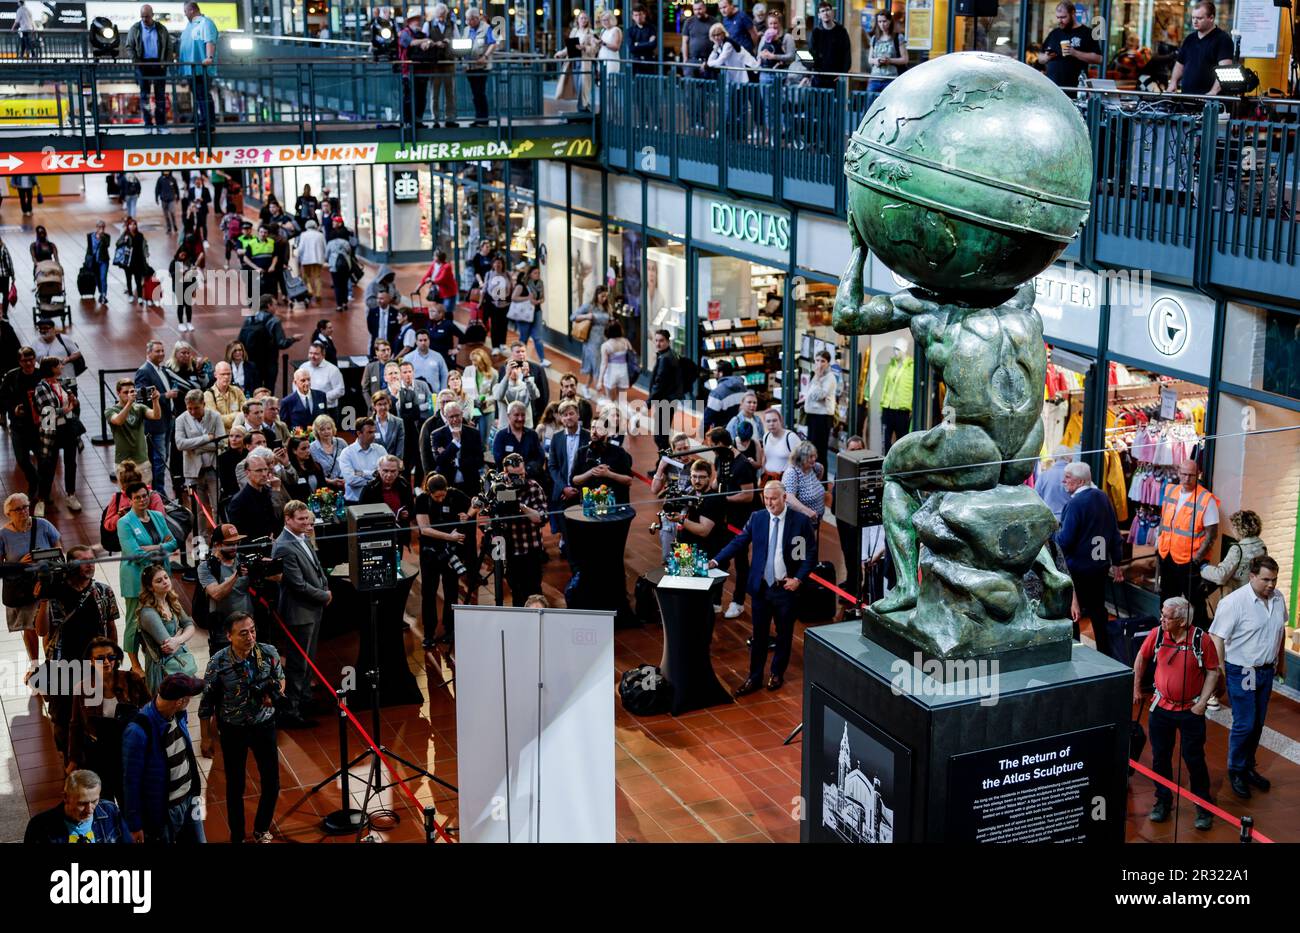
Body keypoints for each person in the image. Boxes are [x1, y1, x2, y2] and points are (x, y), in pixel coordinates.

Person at [710, 480, 812, 694]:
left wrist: (798, 579)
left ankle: (777, 673)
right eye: (766, 498)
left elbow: (807, 554)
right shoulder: (757, 518)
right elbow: (739, 542)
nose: (769, 503)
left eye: (773, 498)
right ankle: (754, 677)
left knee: (784, 634)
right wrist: (716, 561)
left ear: (784, 498)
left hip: (785, 589)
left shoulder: (799, 522)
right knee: (759, 636)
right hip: (761, 589)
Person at [1132, 596, 1219, 831]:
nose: (1162, 619)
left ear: (1182, 621)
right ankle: (1163, 801)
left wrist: (1202, 703)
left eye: (1167, 616)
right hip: (1161, 709)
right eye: (1162, 614)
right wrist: (1136, 687)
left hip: (1190, 711)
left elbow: (1213, 671)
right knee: (1161, 757)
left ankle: (1203, 806)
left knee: (1194, 759)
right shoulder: (1158, 634)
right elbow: (1142, 657)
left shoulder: (1202, 640)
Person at [199, 611, 283, 843]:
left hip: (264, 724)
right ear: (229, 636)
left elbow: (280, 678)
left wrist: (274, 693)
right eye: (243, 633)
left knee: (272, 782)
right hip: (233, 729)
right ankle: (237, 835)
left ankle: (261, 828)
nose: (250, 637)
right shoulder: (218, 662)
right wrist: (206, 737)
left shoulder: (268, 653)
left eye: (253, 630)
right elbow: (206, 703)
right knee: (235, 786)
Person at [1209, 555, 1287, 801]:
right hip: (1243, 671)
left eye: (1274, 579)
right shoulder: (1234, 602)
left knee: (1258, 722)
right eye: (1266, 579)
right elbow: (1217, 637)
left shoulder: (1278, 598)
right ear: (1252, 576)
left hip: (1266, 671)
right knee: (1245, 723)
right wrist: (1220, 673)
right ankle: (1236, 770)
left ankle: (1248, 766)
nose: (1271, 585)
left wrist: (1281, 662)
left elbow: (1280, 630)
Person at [121, 672, 206, 842]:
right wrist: (135, 824)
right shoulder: (138, 731)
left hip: (190, 799)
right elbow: (131, 781)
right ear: (180, 702)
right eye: (189, 698)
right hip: (165, 811)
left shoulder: (178, 714)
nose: (190, 702)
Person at [66, 640, 150, 806]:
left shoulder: (132, 679)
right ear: (91, 660)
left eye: (111, 657)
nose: (106, 662)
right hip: (99, 753)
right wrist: (73, 761)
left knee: (130, 800)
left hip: (128, 748)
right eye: (100, 658)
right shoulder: (82, 689)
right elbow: (75, 725)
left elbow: (149, 711)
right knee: (104, 803)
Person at [272, 500, 333, 728]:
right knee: (298, 664)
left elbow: (316, 567)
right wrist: (324, 595)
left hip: (312, 609)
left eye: (308, 518)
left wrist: (324, 587)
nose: (307, 523)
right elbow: (297, 584)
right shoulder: (284, 545)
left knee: (309, 660)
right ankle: (292, 711)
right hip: (299, 612)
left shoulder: (303, 537)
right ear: (288, 520)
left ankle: (306, 701)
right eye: (301, 519)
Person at [1055, 461, 1125, 656]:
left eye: (1067, 477)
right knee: (1097, 611)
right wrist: (1117, 561)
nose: (1063, 481)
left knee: (1074, 612)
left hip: (1078, 569)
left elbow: (1065, 541)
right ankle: (1105, 653)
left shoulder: (1075, 504)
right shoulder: (1102, 497)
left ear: (1080, 481)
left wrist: (1052, 536)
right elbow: (1114, 533)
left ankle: (1076, 654)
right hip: (1099, 567)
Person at [1, 492, 60, 681]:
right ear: (8, 513)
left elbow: (58, 549)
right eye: (18, 509)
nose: (23, 511)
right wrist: (21, 564)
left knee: (47, 627)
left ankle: (49, 665)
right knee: (29, 628)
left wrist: (43, 556)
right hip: (21, 589)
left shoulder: (42, 525)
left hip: (44, 583)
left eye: (26, 507)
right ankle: (35, 665)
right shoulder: (3, 535)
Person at [415, 473, 478, 649]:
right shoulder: (422, 499)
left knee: (451, 590)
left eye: (443, 495)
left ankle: (450, 629)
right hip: (430, 553)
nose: (441, 499)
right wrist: (449, 537)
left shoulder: (455, 495)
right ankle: (428, 633)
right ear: (429, 492)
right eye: (437, 497)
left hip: (450, 553)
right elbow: (425, 529)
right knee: (428, 592)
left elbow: (476, 502)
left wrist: (468, 514)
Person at [1156, 458, 1219, 629]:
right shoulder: (1171, 491)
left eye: (1191, 475)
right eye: (1184, 474)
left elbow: (1211, 534)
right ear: (1178, 473)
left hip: (1188, 561)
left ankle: (1199, 639)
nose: (1187, 478)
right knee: (1167, 599)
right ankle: (1167, 632)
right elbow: (1164, 520)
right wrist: (1159, 543)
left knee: (1195, 603)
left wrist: (1197, 559)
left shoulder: (1206, 499)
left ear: (1197, 475)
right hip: (1167, 555)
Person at [484, 452, 548, 606]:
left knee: (534, 594)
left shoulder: (534, 488)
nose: (520, 478)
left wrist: (519, 505)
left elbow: (541, 518)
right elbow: (490, 512)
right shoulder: (500, 488)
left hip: (531, 550)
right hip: (511, 551)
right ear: (505, 473)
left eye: (522, 473)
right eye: (515, 476)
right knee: (517, 595)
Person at [32, 357, 83, 515]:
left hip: (68, 428)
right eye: (59, 364)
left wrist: (73, 403)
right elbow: (47, 411)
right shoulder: (41, 387)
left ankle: (71, 495)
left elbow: (69, 403)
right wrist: (65, 410)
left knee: (71, 463)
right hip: (51, 429)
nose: (62, 366)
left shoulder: (62, 383)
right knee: (48, 465)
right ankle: (42, 499)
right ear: (52, 368)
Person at [137, 562, 197, 694]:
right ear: (150, 587)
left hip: (177, 662)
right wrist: (182, 633)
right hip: (162, 668)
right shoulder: (148, 613)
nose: (165, 581)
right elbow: (169, 646)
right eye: (159, 581)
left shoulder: (170, 601)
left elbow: (190, 625)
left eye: (166, 577)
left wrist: (178, 638)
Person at [25, 770, 132, 844]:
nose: (89, 810)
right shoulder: (40, 827)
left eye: (94, 801)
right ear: (66, 797)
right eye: (82, 803)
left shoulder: (111, 811)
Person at [197, 523, 253, 656]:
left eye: (237, 543)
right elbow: (216, 594)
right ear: (217, 544)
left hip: (248, 630)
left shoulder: (243, 559)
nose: (234, 547)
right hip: (224, 635)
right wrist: (236, 575)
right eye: (229, 544)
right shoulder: (207, 567)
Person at [133, 339, 179, 497]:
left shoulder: (162, 369)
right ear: (148, 353)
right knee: (159, 459)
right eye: (157, 351)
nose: (161, 353)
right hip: (155, 423)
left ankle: (158, 491)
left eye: (162, 350)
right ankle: (159, 493)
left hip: (167, 420)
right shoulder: (144, 371)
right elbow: (140, 397)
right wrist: (166, 395)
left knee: (163, 457)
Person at [175, 389, 223, 519]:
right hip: (192, 471)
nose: (192, 412)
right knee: (198, 510)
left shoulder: (215, 416)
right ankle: (200, 537)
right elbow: (180, 444)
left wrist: (195, 447)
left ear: (204, 403)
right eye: (189, 408)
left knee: (217, 506)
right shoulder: (181, 420)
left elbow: (221, 443)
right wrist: (206, 438)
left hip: (213, 468)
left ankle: (219, 536)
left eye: (196, 408)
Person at [421, 400, 484, 499]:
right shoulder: (437, 434)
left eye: (457, 415)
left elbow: (479, 461)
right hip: (446, 484)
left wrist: (456, 461)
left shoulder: (473, 433)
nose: (455, 419)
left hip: (470, 484)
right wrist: (455, 443)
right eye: (451, 417)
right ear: (446, 417)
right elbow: (439, 461)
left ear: (462, 414)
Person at [1169, 1, 1234, 96]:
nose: (1194, 21)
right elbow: (1180, 64)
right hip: (1186, 98)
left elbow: (1225, 70)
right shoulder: (1189, 39)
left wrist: (1213, 92)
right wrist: (1173, 82)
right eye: (1193, 17)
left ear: (1211, 18)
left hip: (1209, 100)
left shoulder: (1223, 39)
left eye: (1199, 18)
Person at [107, 377, 162, 487]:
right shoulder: (110, 410)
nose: (128, 395)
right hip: (123, 462)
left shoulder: (139, 408)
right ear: (118, 393)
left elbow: (156, 416)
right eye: (125, 392)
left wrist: (155, 401)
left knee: (146, 493)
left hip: (142, 460)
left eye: (131, 392)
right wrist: (129, 403)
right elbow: (118, 420)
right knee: (126, 495)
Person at [570, 412, 633, 504]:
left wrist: (608, 474)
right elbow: (574, 480)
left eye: (599, 428)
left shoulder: (619, 452)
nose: (594, 432)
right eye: (592, 428)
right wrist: (591, 473)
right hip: (590, 507)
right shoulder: (581, 452)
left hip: (614, 507)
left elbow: (628, 480)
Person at [1, 347, 40, 494]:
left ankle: (42, 490)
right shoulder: (11, 377)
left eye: (31, 360)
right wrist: (13, 409)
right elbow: (2, 398)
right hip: (20, 426)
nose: (29, 363)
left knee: (43, 460)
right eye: (25, 360)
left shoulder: (41, 375)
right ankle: (34, 479)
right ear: (19, 361)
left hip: (39, 426)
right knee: (22, 460)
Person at [1201, 509, 1267, 593]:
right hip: (1254, 594)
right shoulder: (1261, 546)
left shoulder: (1238, 549)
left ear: (1240, 529)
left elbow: (1221, 576)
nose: (1232, 530)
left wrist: (1203, 568)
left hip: (1236, 596)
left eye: (1233, 527)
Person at [128, 6, 172, 129]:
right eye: (142, 16)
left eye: (147, 16)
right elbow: (129, 47)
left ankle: (161, 124)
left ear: (152, 15)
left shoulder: (161, 29)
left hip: (159, 64)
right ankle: (148, 124)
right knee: (144, 96)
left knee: (160, 96)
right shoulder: (135, 29)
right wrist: (136, 62)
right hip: (142, 65)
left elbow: (169, 47)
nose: (144, 19)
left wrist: (166, 63)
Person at [1039, 1, 1101, 87]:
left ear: (1073, 13)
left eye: (1063, 17)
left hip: (1075, 87)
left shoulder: (1087, 33)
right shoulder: (1054, 33)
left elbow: (1098, 59)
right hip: (1053, 87)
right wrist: (1047, 57)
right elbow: (1040, 58)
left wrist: (1075, 53)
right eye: (1058, 17)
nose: (1060, 21)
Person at [227, 455, 288, 541]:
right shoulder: (238, 501)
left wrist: (276, 490)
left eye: (265, 469)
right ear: (247, 473)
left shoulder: (271, 491)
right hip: (256, 548)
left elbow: (280, 517)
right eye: (259, 470)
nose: (264, 474)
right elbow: (240, 535)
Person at [178, 1, 218, 130]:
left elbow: (209, 41)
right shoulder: (189, 26)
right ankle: (203, 122)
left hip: (202, 68)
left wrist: (209, 57)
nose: (184, 14)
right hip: (190, 69)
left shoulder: (205, 23)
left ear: (191, 10)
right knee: (198, 96)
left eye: (185, 11)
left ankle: (209, 123)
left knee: (203, 95)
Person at [647, 329, 684, 452]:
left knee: (660, 438)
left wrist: (648, 402)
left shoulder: (665, 358)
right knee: (662, 436)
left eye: (661, 341)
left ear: (668, 341)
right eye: (656, 340)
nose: (658, 344)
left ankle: (665, 465)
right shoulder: (670, 355)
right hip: (668, 400)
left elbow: (659, 383)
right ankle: (662, 465)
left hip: (665, 402)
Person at [800, 350, 837, 469]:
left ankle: (823, 481)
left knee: (819, 451)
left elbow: (819, 395)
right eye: (817, 360)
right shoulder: (816, 376)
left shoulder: (829, 378)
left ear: (828, 363)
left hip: (822, 418)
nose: (819, 364)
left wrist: (817, 378)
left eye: (823, 361)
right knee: (811, 450)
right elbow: (811, 393)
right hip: (813, 416)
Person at [339, 417, 388, 503]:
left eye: (374, 432)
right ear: (359, 433)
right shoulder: (347, 453)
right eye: (369, 432)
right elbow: (351, 479)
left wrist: (361, 473)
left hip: (377, 500)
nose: (373, 435)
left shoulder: (380, 450)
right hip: (354, 501)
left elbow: (386, 474)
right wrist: (374, 476)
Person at [493, 401, 545, 480]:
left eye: (523, 415)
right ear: (508, 416)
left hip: (530, 478)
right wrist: (514, 470)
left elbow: (540, 457)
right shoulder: (501, 436)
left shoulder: (532, 434)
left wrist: (526, 469)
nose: (520, 418)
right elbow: (498, 459)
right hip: (507, 480)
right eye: (516, 415)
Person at [462, 7, 496, 126]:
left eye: (470, 20)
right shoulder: (466, 29)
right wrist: (464, 63)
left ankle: (483, 119)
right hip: (470, 66)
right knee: (475, 94)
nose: (468, 22)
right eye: (466, 20)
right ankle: (479, 118)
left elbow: (493, 44)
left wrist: (485, 57)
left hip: (482, 66)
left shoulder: (487, 28)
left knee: (479, 93)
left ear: (476, 18)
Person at [426, 3, 459, 126]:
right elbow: (425, 40)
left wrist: (449, 42)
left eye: (443, 15)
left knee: (450, 93)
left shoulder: (452, 24)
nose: (441, 18)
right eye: (439, 15)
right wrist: (435, 43)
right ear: (436, 14)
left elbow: (457, 39)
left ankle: (449, 118)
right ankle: (435, 119)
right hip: (435, 64)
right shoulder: (428, 25)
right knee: (434, 93)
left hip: (449, 62)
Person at [781, 440, 826, 528]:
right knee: (800, 542)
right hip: (799, 523)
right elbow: (788, 498)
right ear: (800, 458)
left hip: (813, 522)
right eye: (810, 457)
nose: (814, 459)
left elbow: (821, 468)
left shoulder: (812, 467)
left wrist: (815, 485)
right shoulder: (792, 472)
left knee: (811, 541)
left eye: (814, 455)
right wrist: (808, 512)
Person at [866, 10, 908, 102]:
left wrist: (889, 61)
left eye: (884, 21)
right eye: (879, 22)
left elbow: (905, 59)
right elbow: (870, 59)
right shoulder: (874, 38)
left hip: (891, 78)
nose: (882, 24)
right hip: (875, 79)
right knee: (870, 106)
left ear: (890, 21)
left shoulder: (898, 37)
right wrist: (876, 61)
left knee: (889, 106)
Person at [808, 1, 850, 87]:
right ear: (819, 15)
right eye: (822, 11)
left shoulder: (841, 31)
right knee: (817, 100)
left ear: (832, 12)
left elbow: (846, 54)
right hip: (819, 76)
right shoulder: (816, 32)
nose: (825, 13)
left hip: (836, 77)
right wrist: (812, 71)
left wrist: (843, 73)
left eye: (827, 10)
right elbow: (811, 53)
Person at [704, 359, 747, 432]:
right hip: (741, 428)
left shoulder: (717, 393)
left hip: (722, 431)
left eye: (715, 370)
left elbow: (708, 417)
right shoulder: (743, 387)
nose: (713, 372)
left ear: (720, 373)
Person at [1035, 446, 1075, 521]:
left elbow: (1036, 498)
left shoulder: (1044, 475)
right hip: (1070, 519)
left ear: (1054, 458)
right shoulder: (1075, 476)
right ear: (1070, 459)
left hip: (1049, 519)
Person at [117, 216, 151, 303]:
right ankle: (130, 295)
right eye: (131, 224)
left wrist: (146, 254)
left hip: (138, 260)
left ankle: (140, 297)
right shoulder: (125, 235)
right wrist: (124, 241)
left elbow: (144, 245)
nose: (132, 226)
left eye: (134, 224)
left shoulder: (140, 235)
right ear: (128, 226)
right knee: (128, 279)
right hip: (128, 261)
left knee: (138, 280)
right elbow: (117, 243)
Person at [203, 361, 246, 431]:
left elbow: (246, 413)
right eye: (223, 374)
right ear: (215, 375)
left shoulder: (237, 391)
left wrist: (224, 418)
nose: (226, 377)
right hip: (219, 436)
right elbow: (215, 420)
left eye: (229, 374)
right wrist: (238, 415)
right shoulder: (208, 395)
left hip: (238, 434)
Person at [482, 254, 512, 353]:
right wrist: (480, 302)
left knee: (504, 324)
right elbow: (484, 289)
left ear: (503, 264)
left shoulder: (507, 274)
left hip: (506, 304)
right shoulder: (489, 274)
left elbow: (512, 287)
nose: (498, 265)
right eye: (496, 263)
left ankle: (502, 343)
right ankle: (495, 346)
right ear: (493, 264)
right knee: (495, 325)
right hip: (493, 304)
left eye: (500, 263)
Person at [761, 407, 797, 481]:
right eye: (768, 421)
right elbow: (765, 458)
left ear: (780, 421)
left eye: (774, 420)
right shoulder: (766, 436)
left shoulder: (790, 437)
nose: (771, 424)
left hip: (785, 480)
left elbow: (801, 461)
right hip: (768, 478)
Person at [296, 219, 327, 305]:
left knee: (307, 276)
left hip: (306, 259)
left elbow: (301, 248)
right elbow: (325, 247)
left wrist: (298, 257)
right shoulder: (320, 235)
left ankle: (309, 290)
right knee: (318, 276)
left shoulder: (303, 235)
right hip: (318, 259)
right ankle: (318, 294)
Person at [598, 320, 633, 397]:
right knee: (622, 400)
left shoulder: (605, 346)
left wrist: (600, 381)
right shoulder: (625, 341)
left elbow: (604, 364)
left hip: (611, 372)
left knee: (610, 399)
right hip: (623, 371)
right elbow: (632, 354)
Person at [409, 330, 450, 394]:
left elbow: (445, 375)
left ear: (429, 341)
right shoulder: (408, 358)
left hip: (435, 395)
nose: (423, 343)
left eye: (425, 340)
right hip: (414, 396)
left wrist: (443, 392)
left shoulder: (438, 356)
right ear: (416, 342)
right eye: (420, 340)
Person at [325, 225, 354, 312]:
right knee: (344, 284)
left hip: (334, 266)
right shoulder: (346, 242)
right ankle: (345, 302)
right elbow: (349, 252)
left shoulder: (330, 243)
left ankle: (339, 305)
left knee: (337, 285)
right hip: (345, 266)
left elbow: (326, 255)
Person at [681, 1, 714, 75]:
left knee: (708, 85)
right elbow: (684, 42)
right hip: (692, 60)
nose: (697, 12)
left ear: (705, 8)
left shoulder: (714, 22)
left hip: (709, 61)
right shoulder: (689, 21)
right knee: (690, 84)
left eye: (699, 9)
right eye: (695, 9)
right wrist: (685, 59)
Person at [85, 220, 112, 306]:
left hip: (103, 260)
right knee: (97, 278)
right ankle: (101, 292)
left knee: (103, 277)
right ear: (96, 227)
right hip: (93, 261)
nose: (101, 229)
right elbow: (89, 248)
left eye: (103, 227)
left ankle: (104, 295)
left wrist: (102, 236)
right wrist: (87, 260)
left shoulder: (107, 236)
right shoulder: (90, 236)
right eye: (100, 227)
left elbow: (107, 244)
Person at [368, 293, 402, 360]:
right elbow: (370, 328)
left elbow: (397, 329)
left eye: (381, 298)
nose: (379, 300)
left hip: (390, 346)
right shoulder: (372, 312)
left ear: (388, 299)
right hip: (376, 346)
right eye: (378, 298)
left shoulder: (395, 312)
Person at [627, 4, 657, 75]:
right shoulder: (630, 30)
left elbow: (653, 45)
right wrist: (647, 43)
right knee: (635, 84)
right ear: (632, 17)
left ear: (644, 15)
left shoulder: (651, 28)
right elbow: (631, 48)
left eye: (640, 14)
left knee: (649, 84)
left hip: (649, 62)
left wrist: (637, 44)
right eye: (636, 15)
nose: (638, 17)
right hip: (635, 62)